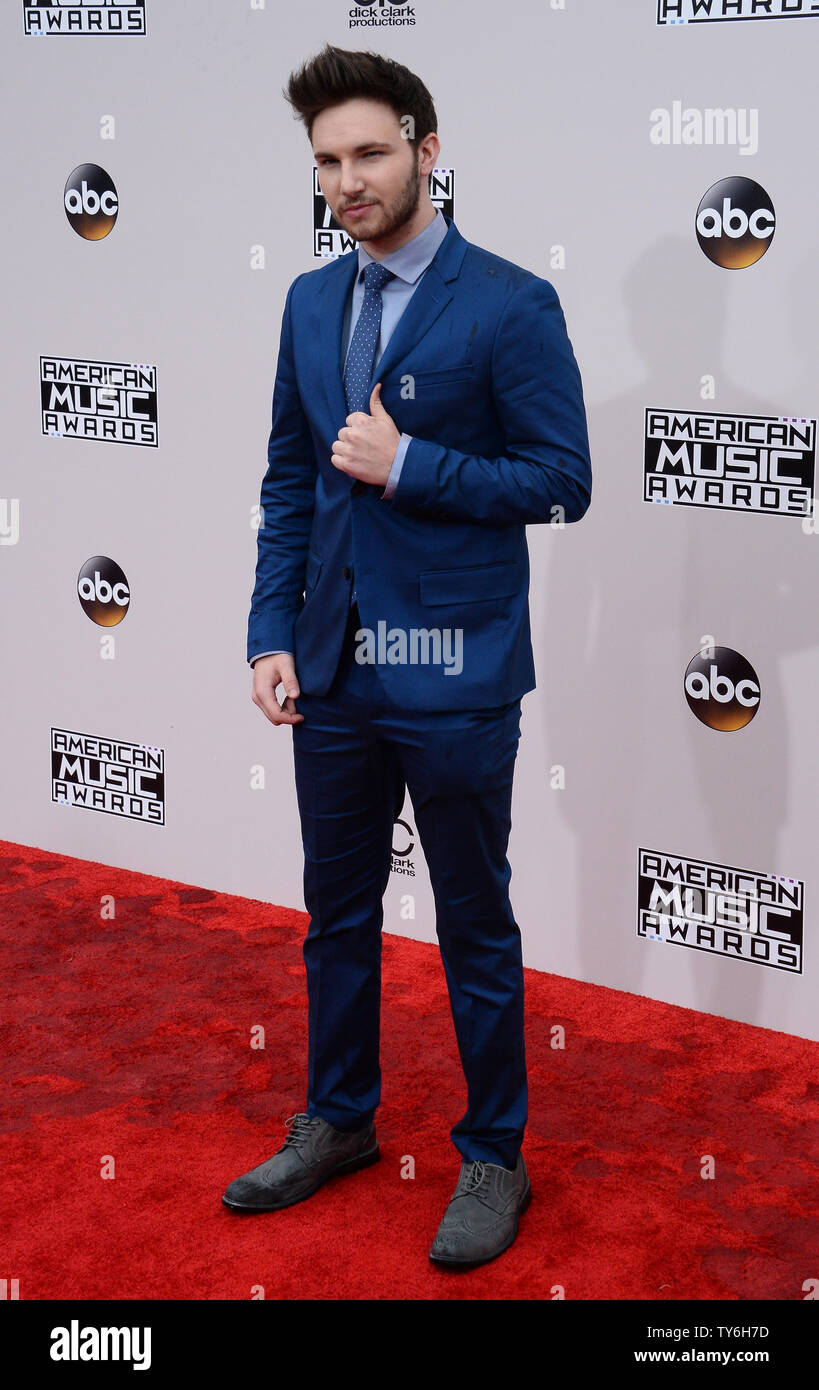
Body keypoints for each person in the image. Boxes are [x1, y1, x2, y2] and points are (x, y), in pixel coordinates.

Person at [222, 43, 592, 1268]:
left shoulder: (510, 303)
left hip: (456, 668)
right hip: (332, 668)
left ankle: (495, 1151)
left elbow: (563, 480)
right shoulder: (310, 300)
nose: (347, 181)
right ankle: (337, 1119)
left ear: (427, 150)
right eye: (327, 161)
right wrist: (272, 630)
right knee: (336, 912)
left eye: (370, 152)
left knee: (473, 920)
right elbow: (289, 476)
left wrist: (415, 464)